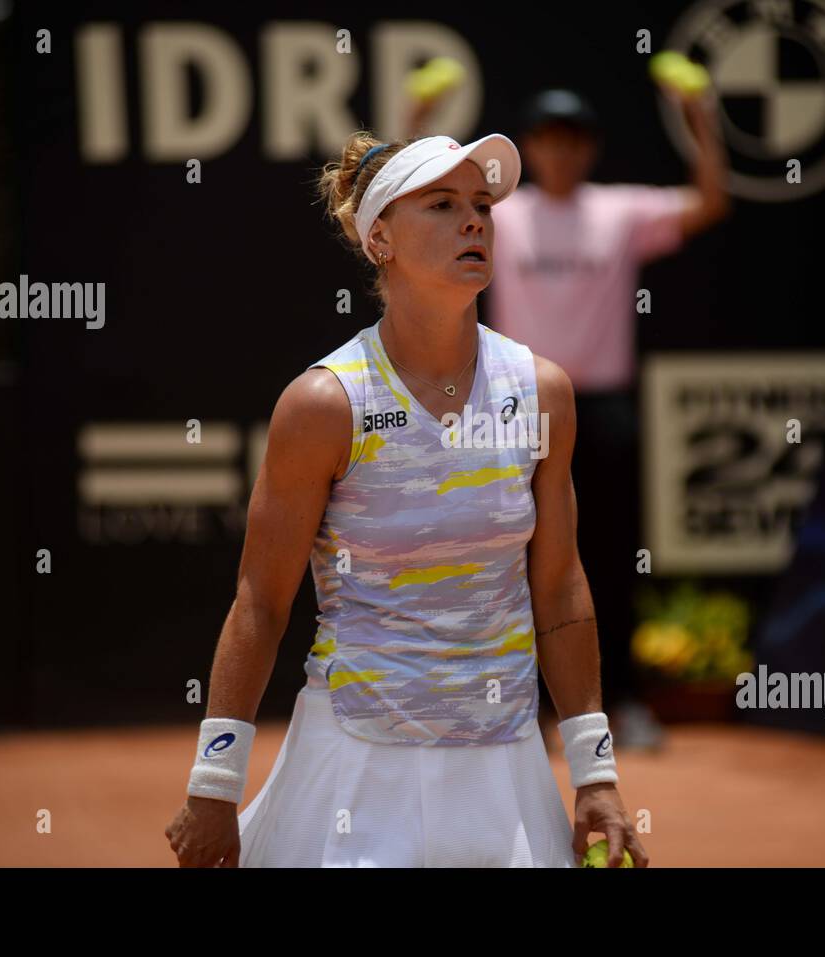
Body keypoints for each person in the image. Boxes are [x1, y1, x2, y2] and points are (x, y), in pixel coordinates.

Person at [163, 130, 649, 868]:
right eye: (444, 204)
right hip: (353, 759)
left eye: (483, 204)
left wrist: (595, 772)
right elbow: (260, 601)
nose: (475, 221)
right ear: (380, 238)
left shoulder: (541, 392)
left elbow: (558, 587)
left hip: (503, 759)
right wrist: (214, 782)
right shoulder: (325, 403)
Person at [486, 89, 732, 750]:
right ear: (529, 148)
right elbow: (413, 198)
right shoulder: (501, 214)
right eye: (546, 138)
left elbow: (711, 202)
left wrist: (700, 119)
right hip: (522, 407)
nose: (559, 151)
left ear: (588, 149)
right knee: (522, 557)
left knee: (612, 560)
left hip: (605, 409)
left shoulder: (619, 210)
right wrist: (415, 122)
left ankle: (619, 704)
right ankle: (530, 713)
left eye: (571, 139)